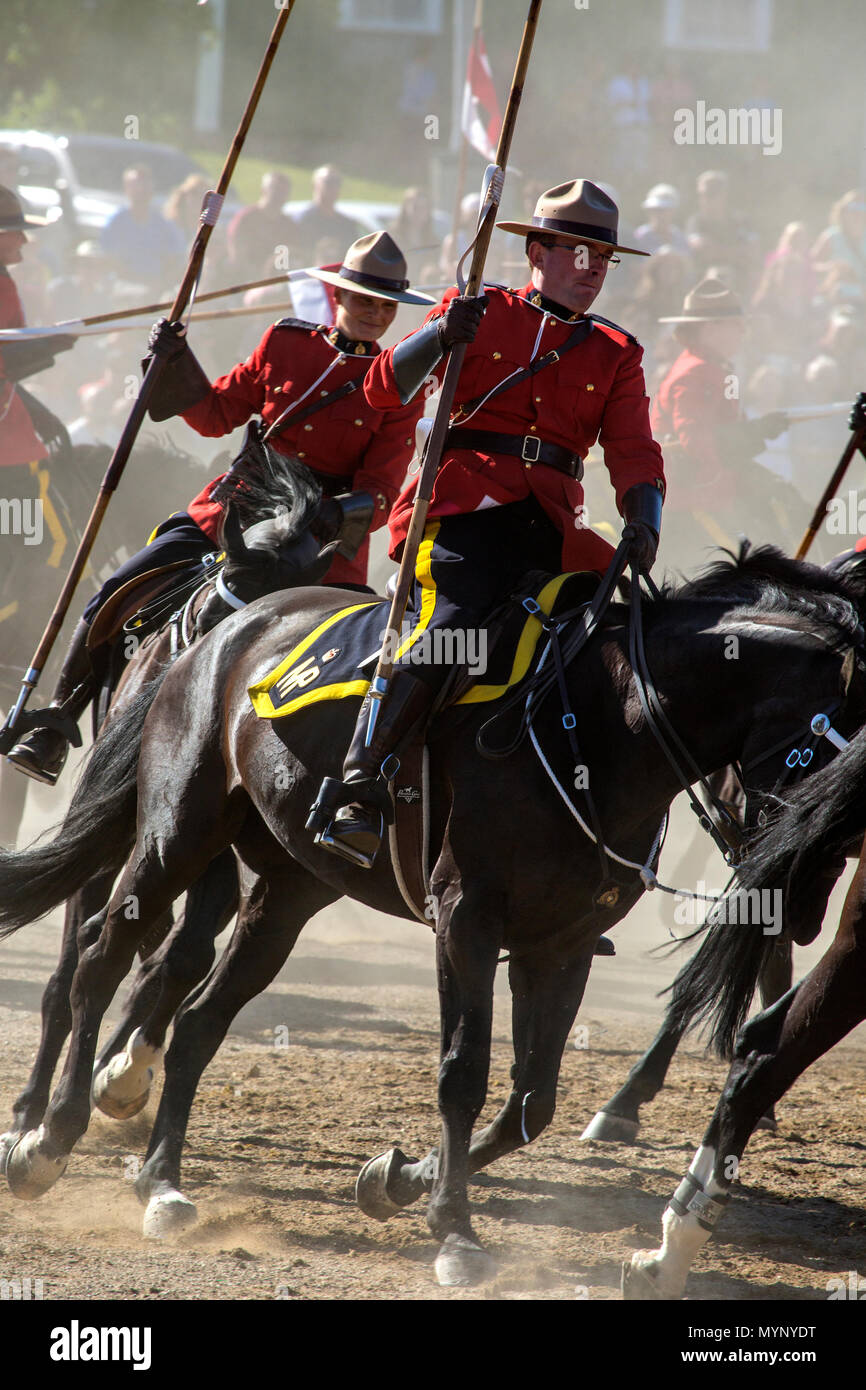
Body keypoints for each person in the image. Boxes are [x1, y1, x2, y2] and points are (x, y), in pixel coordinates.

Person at [309, 179, 667, 869]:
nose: (592, 269)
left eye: (604, 257)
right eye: (578, 251)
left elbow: (634, 451)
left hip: (556, 532)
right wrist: (442, 335)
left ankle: (590, 851)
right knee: (455, 634)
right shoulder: (479, 310)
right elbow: (386, 386)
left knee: (634, 649)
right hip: (461, 518)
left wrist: (644, 516)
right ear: (537, 250)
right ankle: (360, 783)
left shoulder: (616, 352)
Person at [6, 231, 433, 786]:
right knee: (118, 587)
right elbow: (214, 415)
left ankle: (343, 785)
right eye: (365, 300)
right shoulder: (286, 342)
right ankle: (55, 723)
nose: (376, 313)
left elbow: (380, 491)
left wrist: (322, 521)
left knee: (362, 652)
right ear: (340, 297)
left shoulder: (403, 385)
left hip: (322, 539)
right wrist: (173, 361)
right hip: (240, 504)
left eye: (386, 304)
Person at [652, 277, 787, 561]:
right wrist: (746, 438)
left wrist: (754, 430)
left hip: (716, 494)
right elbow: (695, 440)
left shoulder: (715, 367)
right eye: (736, 325)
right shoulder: (695, 372)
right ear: (710, 328)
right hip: (695, 503)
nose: (743, 332)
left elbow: (726, 429)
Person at [99, 165, 185, 289]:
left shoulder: (162, 224)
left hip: (155, 283)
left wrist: (162, 281)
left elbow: (174, 256)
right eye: (135, 186)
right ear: (126, 189)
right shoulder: (116, 222)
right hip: (123, 284)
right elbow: (107, 256)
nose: (140, 190)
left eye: (144, 186)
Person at [226, 170, 299, 277]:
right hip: (246, 279)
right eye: (275, 189)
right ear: (263, 190)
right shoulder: (246, 219)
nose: (279, 195)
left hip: (276, 280)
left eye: (283, 191)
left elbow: (292, 255)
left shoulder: (289, 225)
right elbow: (236, 254)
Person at [291, 166, 360, 267]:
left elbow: (355, 258)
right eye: (328, 182)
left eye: (337, 183)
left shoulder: (346, 225)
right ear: (315, 185)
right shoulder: (302, 221)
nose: (333, 187)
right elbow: (293, 255)